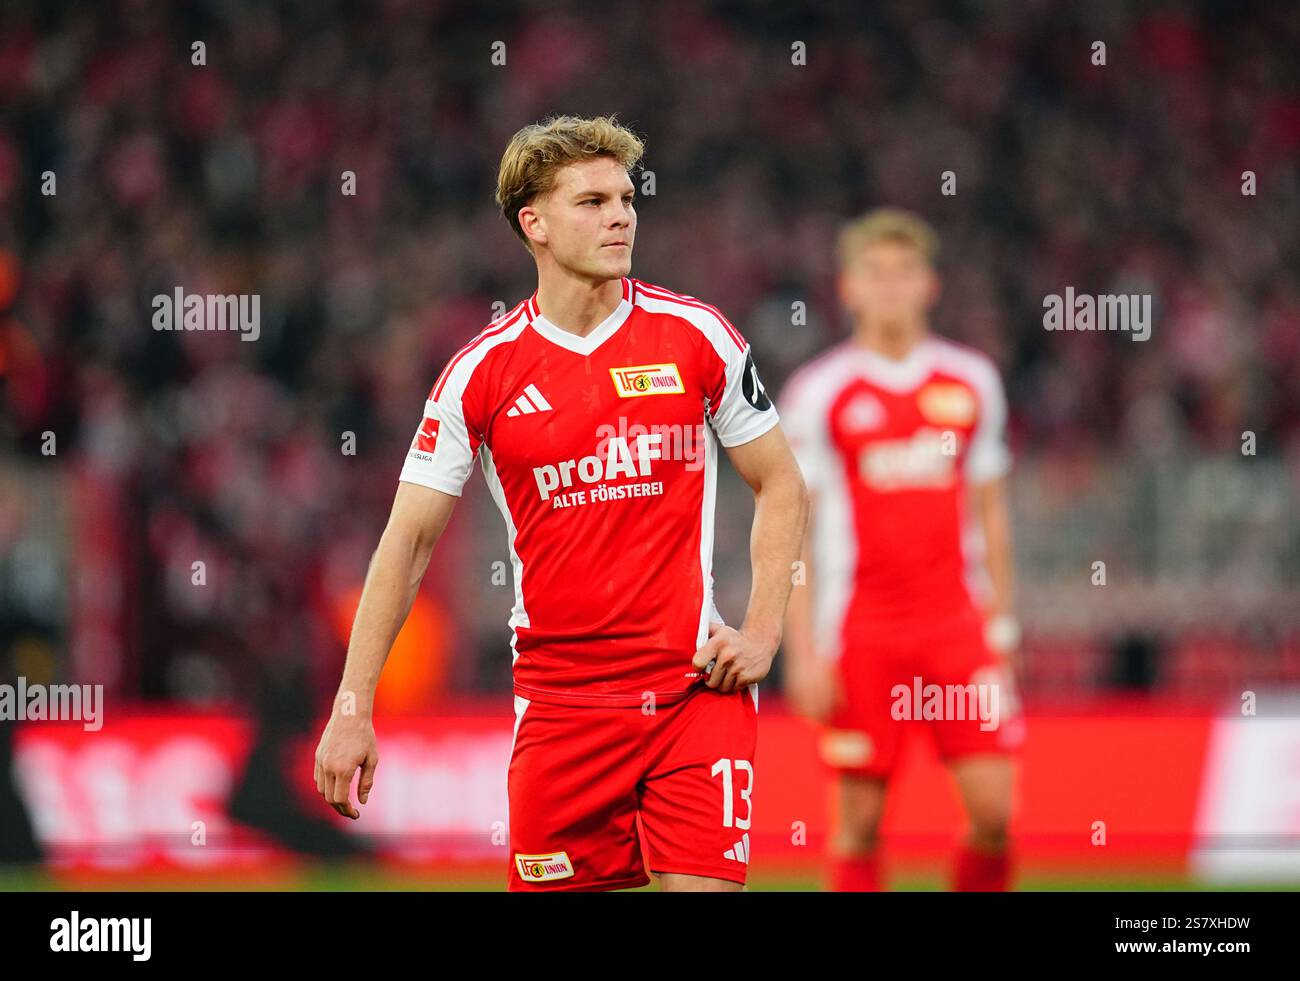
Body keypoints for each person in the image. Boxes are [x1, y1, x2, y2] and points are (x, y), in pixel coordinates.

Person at [314, 115, 808, 892]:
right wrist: (352, 706)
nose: (620, 215)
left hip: (693, 692)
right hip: (562, 709)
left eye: (626, 197)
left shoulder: (697, 336)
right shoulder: (482, 373)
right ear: (532, 223)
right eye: (592, 201)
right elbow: (406, 545)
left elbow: (780, 479)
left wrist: (765, 631)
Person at [781, 208, 1025, 891]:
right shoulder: (819, 392)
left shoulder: (970, 381)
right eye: (875, 274)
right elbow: (796, 532)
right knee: (858, 821)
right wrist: (801, 650)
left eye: (905, 273)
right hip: (862, 633)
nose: (891, 287)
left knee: (995, 811)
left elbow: (992, 512)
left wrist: (1003, 624)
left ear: (931, 285)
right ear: (848, 288)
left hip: (957, 627)